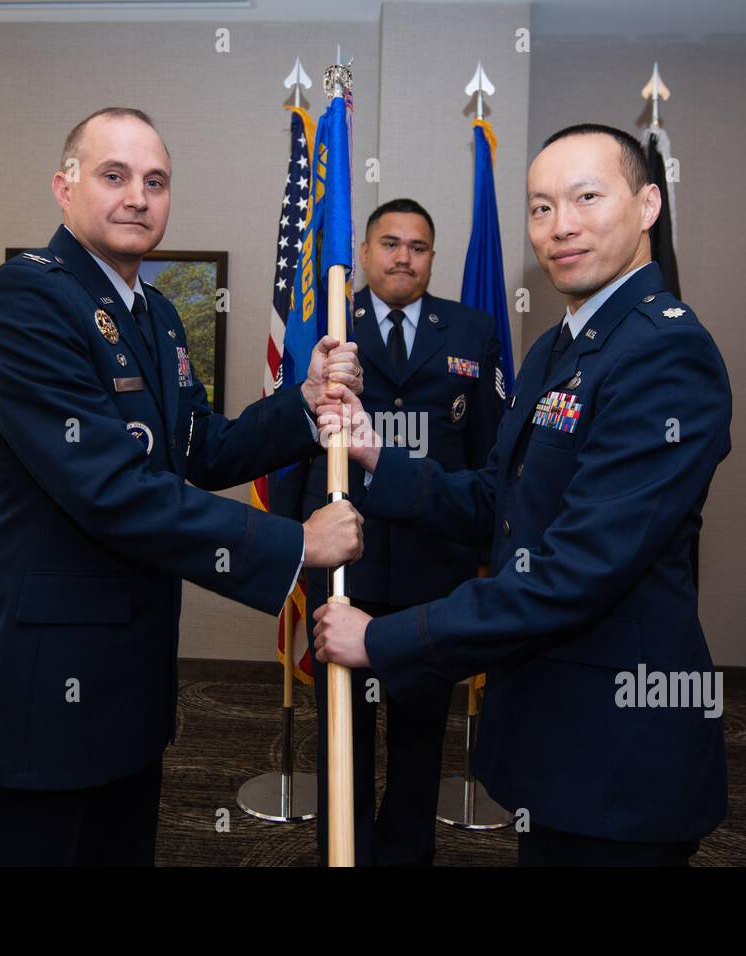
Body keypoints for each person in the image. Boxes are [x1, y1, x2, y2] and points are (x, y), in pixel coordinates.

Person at [0, 106, 365, 866]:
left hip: (131, 684)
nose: (138, 196)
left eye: (156, 181)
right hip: (41, 691)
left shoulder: (159, 312)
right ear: (63, 188)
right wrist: (294, 543)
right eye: (115, 175)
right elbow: (109, 487)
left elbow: (198, 446)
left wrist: (301, 407)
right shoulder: (22, 300)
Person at [313, 123, 732, 866]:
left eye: (586, 197)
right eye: (540, 207)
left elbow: (575, 570)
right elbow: (494, 502)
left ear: (646, 206)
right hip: (554, 729)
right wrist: (376, 452)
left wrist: (380, 639)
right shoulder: (558, 347)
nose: (560, 226)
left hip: (619, 754)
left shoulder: (664, 351)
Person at [271, 198, 505, 865]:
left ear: (433, 256)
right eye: (390, 243)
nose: (404, 256)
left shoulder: (472, 329)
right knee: (341, 734)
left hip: (436, 568)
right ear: (366, 252)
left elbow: (487, 454)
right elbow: (295, 444)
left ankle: (405, 858)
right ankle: (343, 854)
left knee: (418, 737)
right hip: (347, 563)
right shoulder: (324, 331)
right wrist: (291, 544)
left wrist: (489, 554)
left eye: (419, 246)